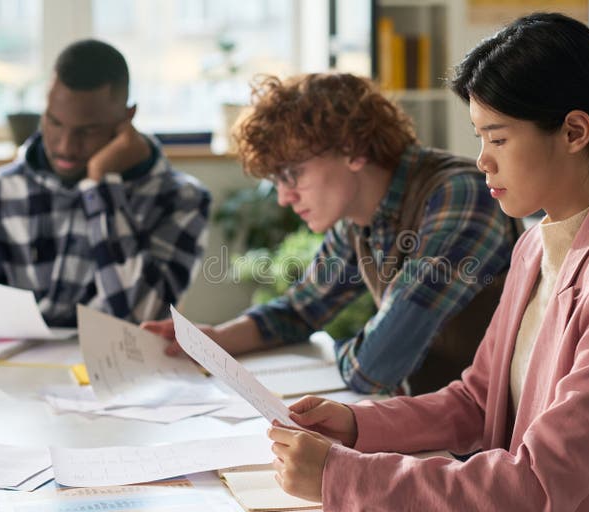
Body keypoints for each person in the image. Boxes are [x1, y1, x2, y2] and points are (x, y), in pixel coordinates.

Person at [266, 13, 589, 511]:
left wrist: (342, 477)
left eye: (498, 139)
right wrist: (357, 424)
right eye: (480, 138)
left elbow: (538, 483)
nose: (482, 159)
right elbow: (478, 400)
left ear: (574, 131)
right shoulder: (532, 248)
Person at [143, 73, 519, 395]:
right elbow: (299, 311)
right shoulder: (358, 217)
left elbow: (375, 367)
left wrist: (333, 352)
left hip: (491, 438)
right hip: (430, 423)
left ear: (353, 149)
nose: (284, 197)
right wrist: (215, 339)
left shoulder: (461, 194)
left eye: (292, 174)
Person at [0, 39, 210, 343]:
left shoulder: (182, 199)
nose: (66, 145)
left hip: (120, 380)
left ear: (127, 119)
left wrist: (102, 188)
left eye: (87, 131)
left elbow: (141, 319)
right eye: (54, 122)